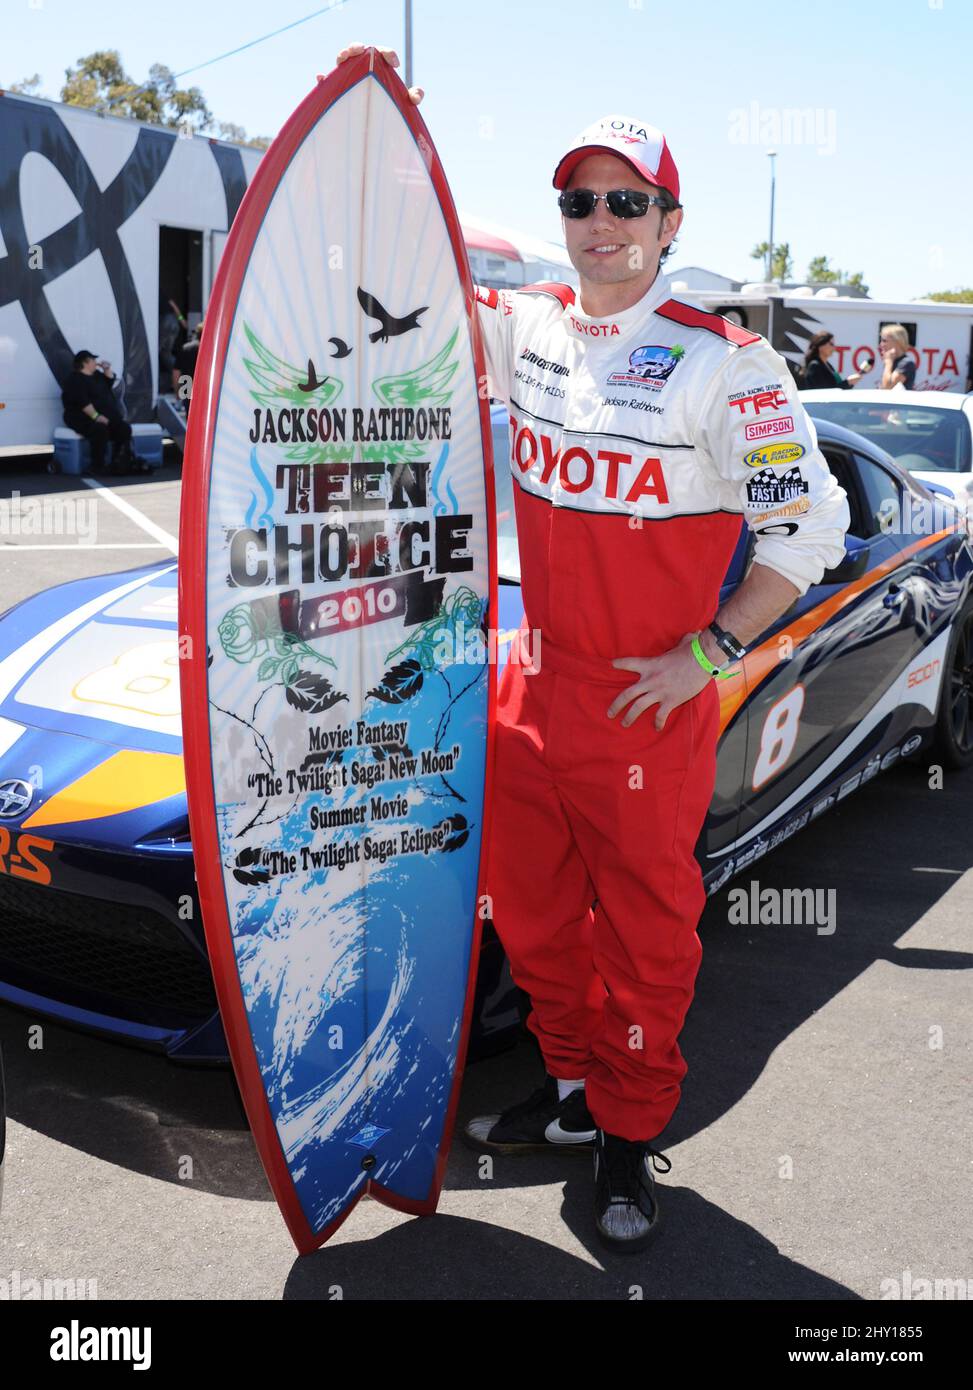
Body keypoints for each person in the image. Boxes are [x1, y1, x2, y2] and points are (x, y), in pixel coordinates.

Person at [329, 45, 850, 1253]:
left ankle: (626, 1135)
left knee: (646, 937)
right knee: (535, 915)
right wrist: (364, 153)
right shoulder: (526, 328)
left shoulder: (730, 362)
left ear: (669, 221)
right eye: (580, 200)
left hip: (644, 704)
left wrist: (711, 652)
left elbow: (808, 524)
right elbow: (396, 312)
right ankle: (570, 1090)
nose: (600, 222)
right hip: (528, 679)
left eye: (626, 201)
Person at [61, 350, 134, 474]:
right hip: (83, 418)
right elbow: (82, 402)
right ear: (85, 363)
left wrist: (106, 369)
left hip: (105, 417)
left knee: (124, 428)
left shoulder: (97, 376)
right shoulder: (75, 380)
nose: (96, 363)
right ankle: (97, 465)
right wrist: (96, 416)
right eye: (93, 360)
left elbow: (110, 380)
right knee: (99, 430)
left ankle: (118, 461)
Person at [801, 331, 869, 390]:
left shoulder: (827, 365)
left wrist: (850, 383)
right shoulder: (815, 366)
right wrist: (848, 382)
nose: (834, 348)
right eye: (831, 344)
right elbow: (825, 392)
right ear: (820, 346)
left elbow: (834, 387)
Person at [878, 324, 917, 390]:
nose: (881, 344)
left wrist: (888, 363)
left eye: (884, 341)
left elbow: (887, 387)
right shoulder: (892, 361)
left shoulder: (906, 363)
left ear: (897, 341)